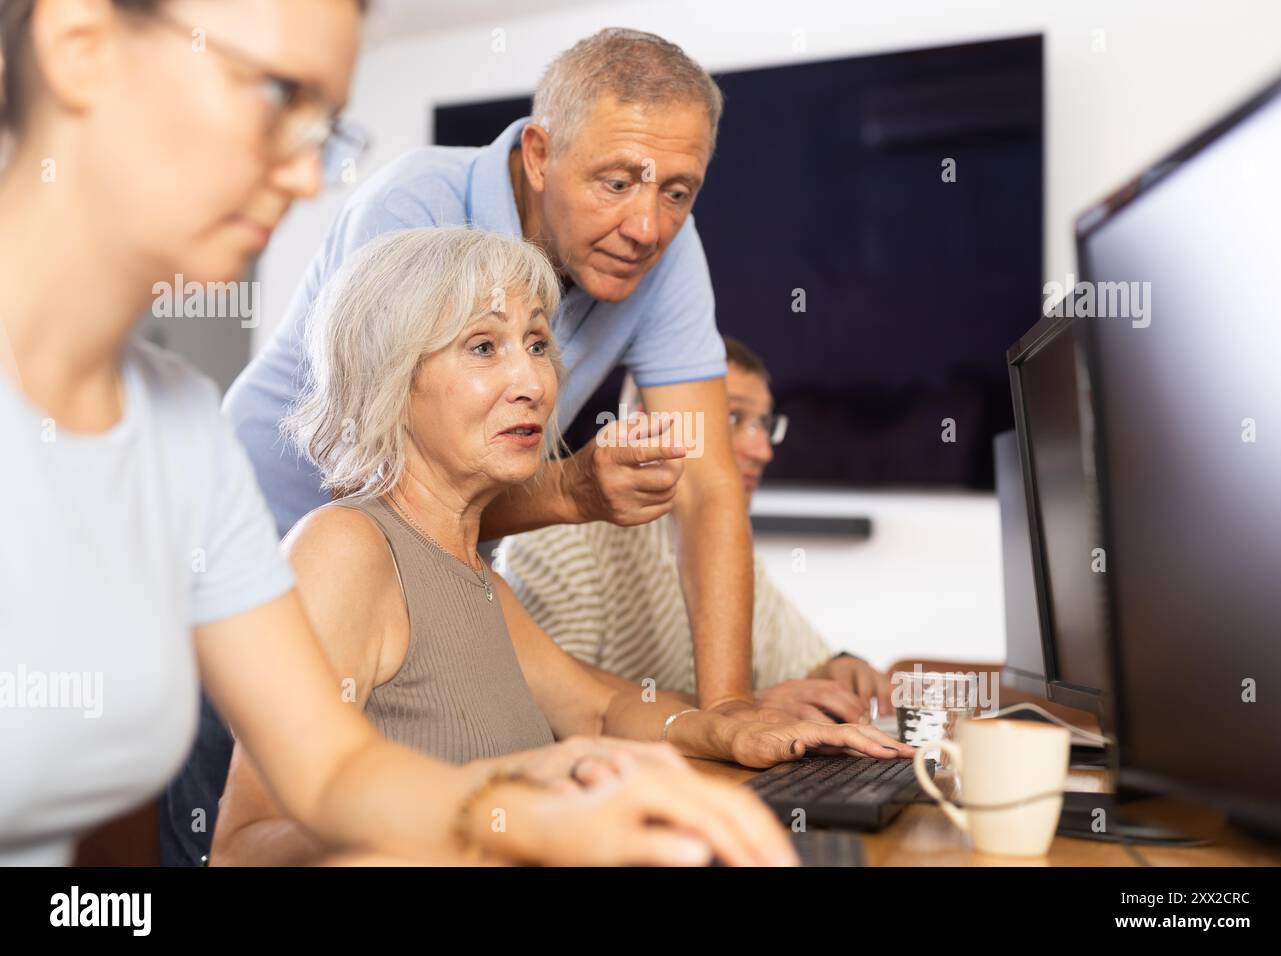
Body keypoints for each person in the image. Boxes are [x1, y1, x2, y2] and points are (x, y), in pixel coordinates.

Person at [0, 0, 796, 868]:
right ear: (78, 43)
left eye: (324, 125)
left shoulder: (182, 424)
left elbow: (339, 776)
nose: (309, 179)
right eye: (276, 92)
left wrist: (544, 794)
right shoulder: (327, 514)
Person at [208, 226, 912, 865]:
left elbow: (603, 710)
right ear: (389, 378)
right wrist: (505, 801)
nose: (532, 383)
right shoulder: (345, 548)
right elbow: (246, 847)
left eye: (538, 344)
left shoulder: (470, 570)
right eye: (485, 347)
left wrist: (734, 732)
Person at [499, 337, 898, 722]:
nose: (763, 451)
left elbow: (798, 658)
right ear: (643, 423)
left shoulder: (727, 545)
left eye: (764, 424)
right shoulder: (563, 539)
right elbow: (556, 712)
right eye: (733, 419)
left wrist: (841, 666)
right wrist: (740, 710)